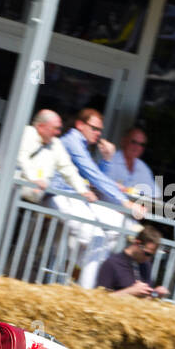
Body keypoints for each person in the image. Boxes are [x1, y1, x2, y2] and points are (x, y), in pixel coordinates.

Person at [48, 108, 146, 289]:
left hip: (76, 197)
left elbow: (95, 178)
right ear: (80, 125)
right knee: (98, 238)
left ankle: (82, 275)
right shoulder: (72, 141)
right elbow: (92, 174)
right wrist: (124, 201)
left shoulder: (82, 145)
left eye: (100, 130)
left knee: (118, 226)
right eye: (94, 128)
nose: (98, 134)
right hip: (59, 195)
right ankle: (86, 288)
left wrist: (107, 159)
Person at [94, 225, 169, 298]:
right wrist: (130, 291)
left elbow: (146, 298)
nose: (148, 258)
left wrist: (155, 293)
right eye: (147, 253)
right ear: (137, 243)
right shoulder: (112, 263)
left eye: (152, 255)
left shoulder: (146, 265)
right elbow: (100, 299)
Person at [103, 128, 158, 198]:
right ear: (123, 141)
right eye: (134, 142)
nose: (137, 147)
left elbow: (155, 194)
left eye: (141, 144)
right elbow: (101, 184)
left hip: (135, 207)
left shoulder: (144, 168)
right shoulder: (110, 160)